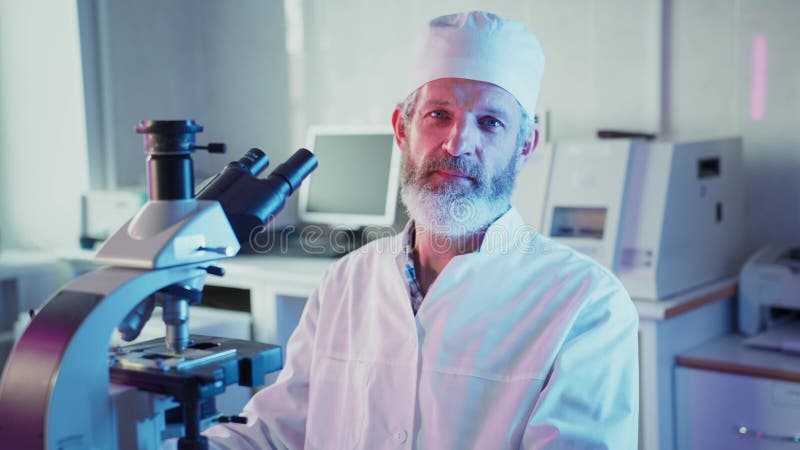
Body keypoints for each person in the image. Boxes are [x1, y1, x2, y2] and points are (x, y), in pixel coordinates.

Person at [201, 10, 639, 450]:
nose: (457, 143)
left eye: (490, 123)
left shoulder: (587, 305)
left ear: (524, 146)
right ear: (401, 129)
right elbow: (274, 431)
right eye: (438, 114)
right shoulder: (344, 282)